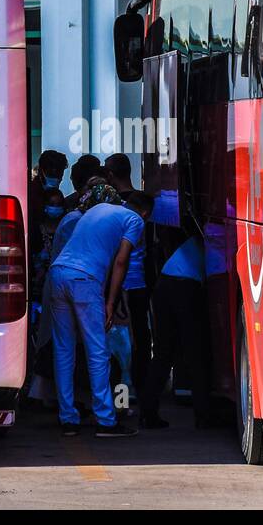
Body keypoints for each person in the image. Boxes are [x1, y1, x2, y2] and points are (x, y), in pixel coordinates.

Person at [44, 190, 153, 438]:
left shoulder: (97, 209)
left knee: (64, 350)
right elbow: (121, 261)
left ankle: (68, 419)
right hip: (85, 279)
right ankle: (105, 420)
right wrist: (111, 302)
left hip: (59, 272)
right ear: (145, 214)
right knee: (98, 351)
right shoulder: (134, 220)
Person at [141, 233, 212, 428]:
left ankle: (148, 412)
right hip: (184, 288)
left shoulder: (197, 241)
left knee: (164, 353)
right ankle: (204, 416)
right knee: (195, 352)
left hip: (165, 285)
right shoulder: (217, 240)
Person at [103, 153, 152, 402]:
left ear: (110, 175)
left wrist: (110, 297)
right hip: (138, 284)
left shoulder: (116, 210)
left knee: (121, 343)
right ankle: (137, 390)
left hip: (123, 286)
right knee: (139, 340)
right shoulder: (142, 207)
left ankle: (122, 394)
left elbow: (119, 258)